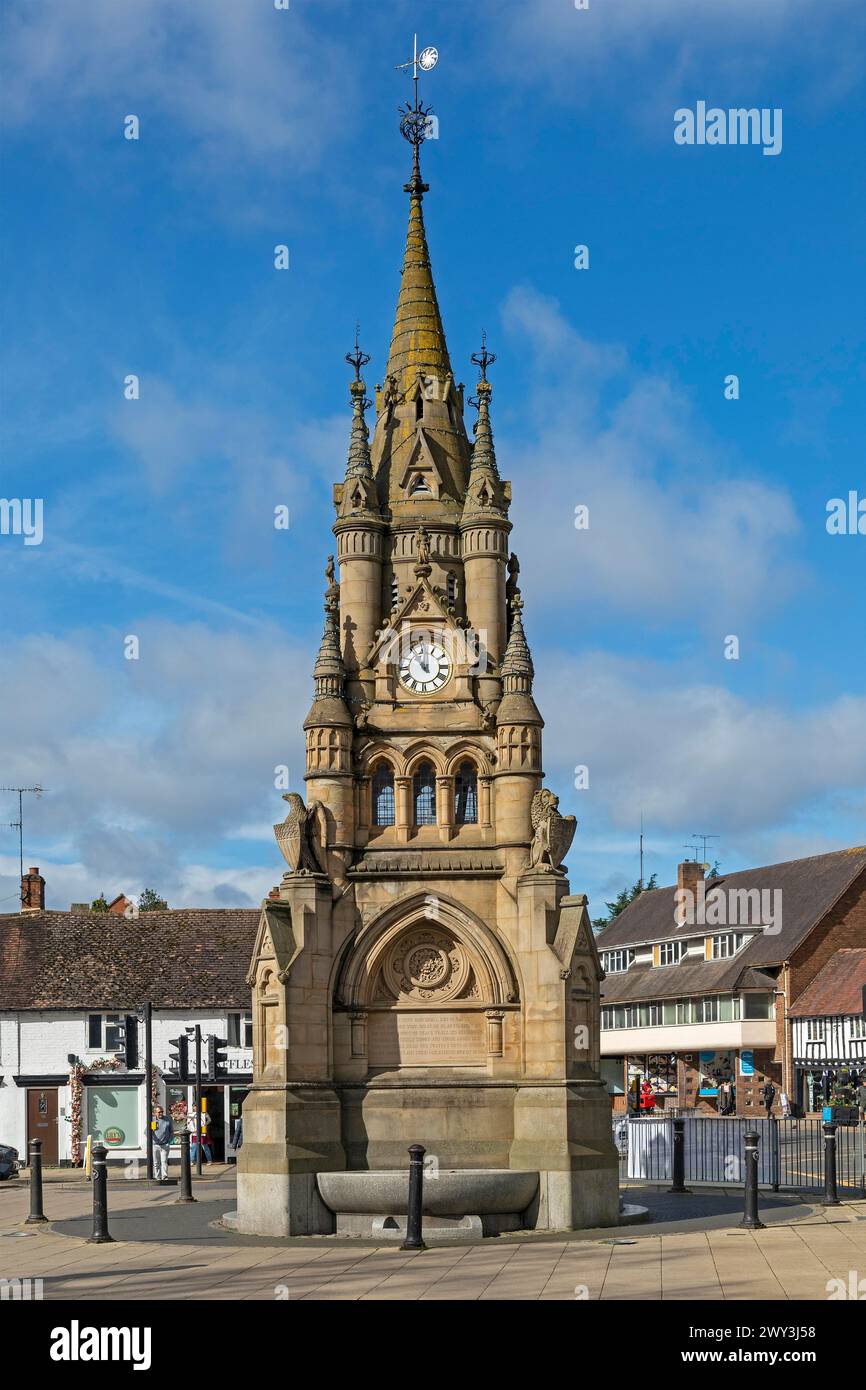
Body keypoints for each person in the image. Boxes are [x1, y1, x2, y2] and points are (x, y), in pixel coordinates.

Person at [151, 1105, 174, 1182]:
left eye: (162, 1112)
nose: (161, 1113)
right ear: (155, 1113)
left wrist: (169, 1141)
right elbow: (147, 1133)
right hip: (155, 1145)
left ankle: (164, 1177)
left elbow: (171, 1131)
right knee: (156, 1162)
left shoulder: (168, 1119)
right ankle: (158, 1177)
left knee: (164, 1161)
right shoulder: (152, 1120)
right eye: (159, 1112)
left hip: (165, 1144)